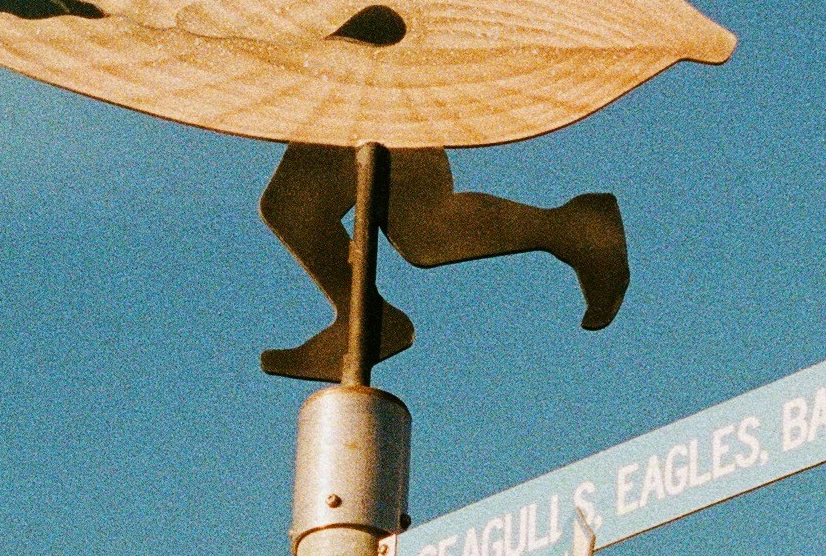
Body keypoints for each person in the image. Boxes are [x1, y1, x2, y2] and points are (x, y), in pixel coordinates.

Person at [258, 143, 629, 381]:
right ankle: (574, 226)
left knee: (296, 206)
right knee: (422, 230)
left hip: (369, 60)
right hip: (363, 69)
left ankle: (575, 226)